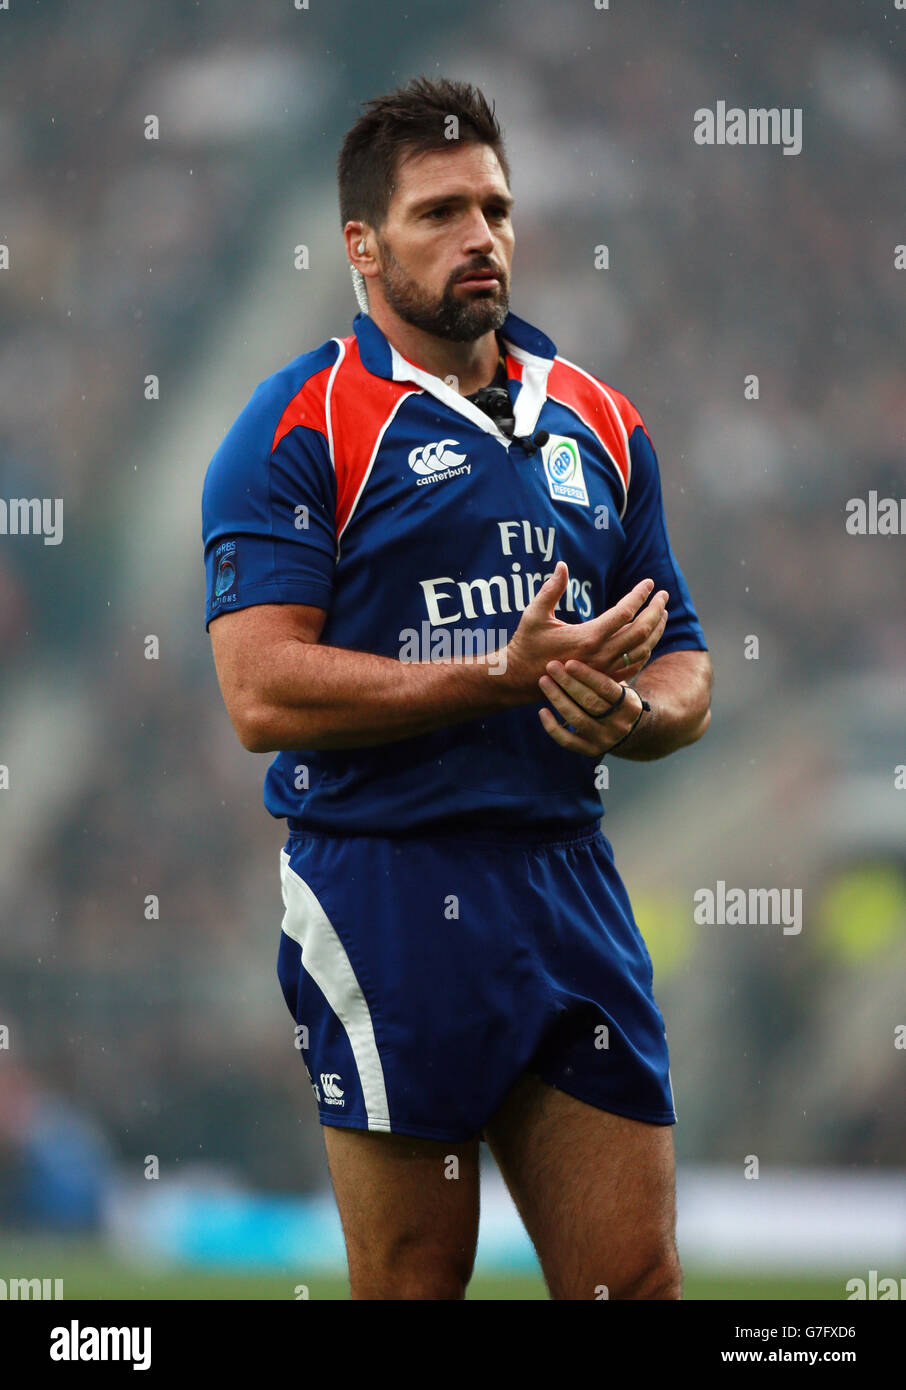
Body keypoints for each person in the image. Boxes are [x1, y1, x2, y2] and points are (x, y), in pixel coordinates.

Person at [202, 76, 712, 1300]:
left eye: (495, 206)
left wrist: (636, 716)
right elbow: (259, 692)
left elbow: (687, 658)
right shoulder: (299, 423)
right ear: (362, 247)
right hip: (386, 883)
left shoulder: (602, 419)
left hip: (568, 880)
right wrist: (497, 675)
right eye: (439, 212)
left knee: (633, 1283)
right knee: (415, 1285)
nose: (480, 236)